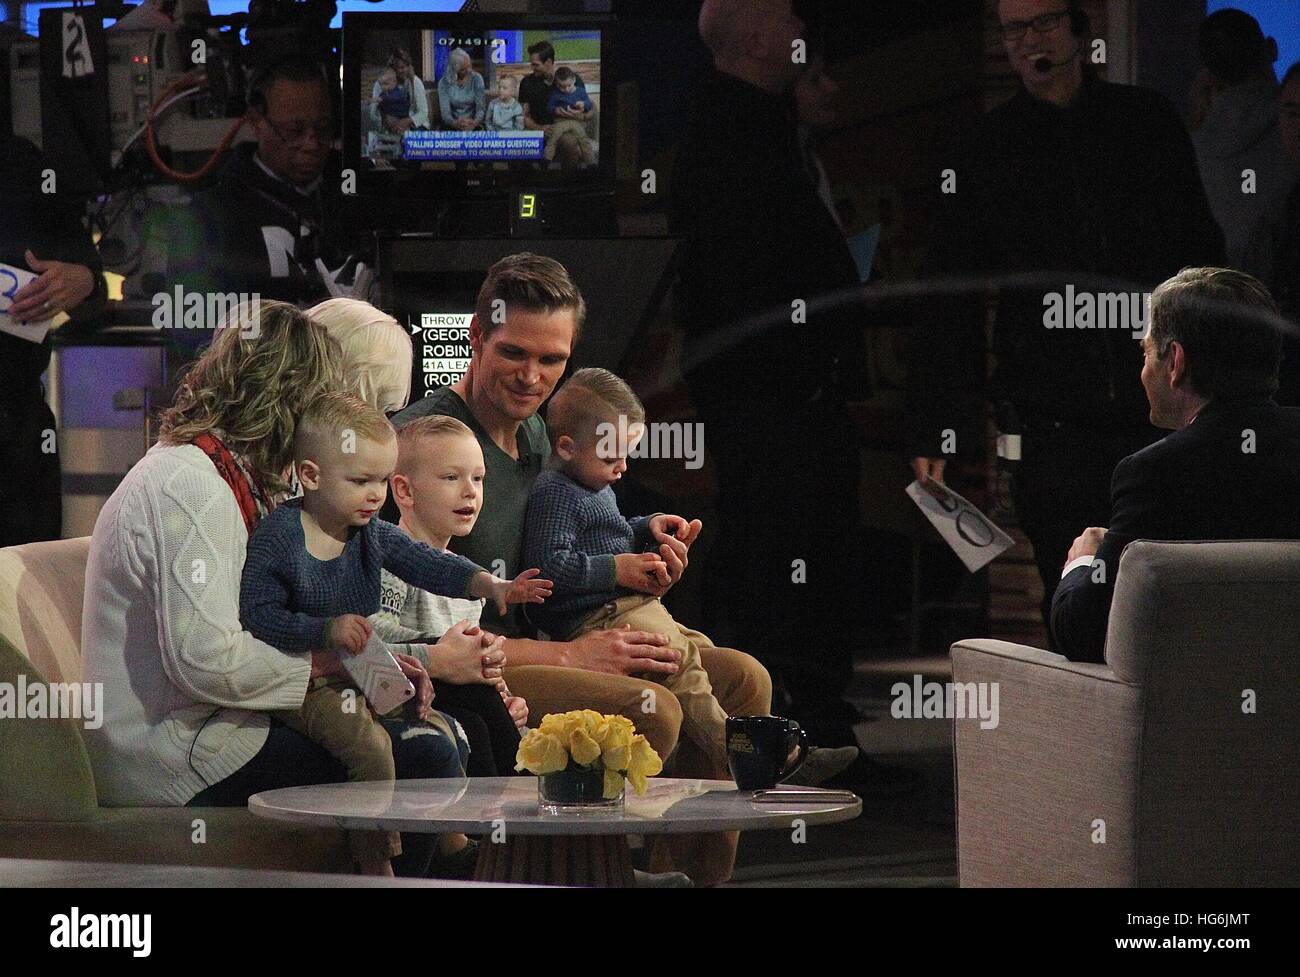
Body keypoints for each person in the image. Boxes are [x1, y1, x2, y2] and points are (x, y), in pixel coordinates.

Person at [391, 252, 772, 886]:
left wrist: (645, 555)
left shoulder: (546, 438)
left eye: (552, 360)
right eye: (514, 353)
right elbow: (408, 626)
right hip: (476, 670)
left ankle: (683, 877)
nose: (531, 376)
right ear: (475, 337)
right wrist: (570, 658)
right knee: (654, 707)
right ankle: (599, 874)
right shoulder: (424, 442)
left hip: (559, 631)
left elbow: (583, 537)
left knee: (745, 681)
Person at [79, 303, 487, 878]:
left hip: (224, 720)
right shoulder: (187, 486)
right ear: (286, 398)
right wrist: (332, 666)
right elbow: (205, 661)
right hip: (174, 749)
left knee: (433, 732)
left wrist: (377, 665)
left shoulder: (236, 474)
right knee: (422, 754)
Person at [908, 0, 1226, 638]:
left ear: (1081, 28)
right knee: (1074, 595)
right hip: (1052, 409)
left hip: (1155, 405)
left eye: (1044, 23)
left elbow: (1201, 259)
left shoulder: (1143, 122)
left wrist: (1217, 387)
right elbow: (952, 296)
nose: (1029, 42)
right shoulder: (987, 146)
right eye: (1014, 30)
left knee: (1168, 594)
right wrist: (942, 421)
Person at [671, 0, 873, 763]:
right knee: (774, 558)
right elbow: (749, 281)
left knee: (798, 555)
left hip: (786, 393)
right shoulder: (735, 136)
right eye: (791, 19)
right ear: (756, 36)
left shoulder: (761, 127)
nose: (801, 31)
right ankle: (772, 733)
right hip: (773, 398)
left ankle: (797, 726)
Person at [238, 391, 548, 872]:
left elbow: (429, 565)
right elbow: (258, 616)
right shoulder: (281, 537)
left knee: (444, 727)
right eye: (361, 481)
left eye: (381, 481)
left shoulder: (367, 532)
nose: (375, 496)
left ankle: (468, 850)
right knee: (374, 750)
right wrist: (326, 630)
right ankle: (379, 865)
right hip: (306, 674)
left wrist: (490, 584)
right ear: (310, 476)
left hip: (363, 663)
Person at [523, 368, 859, 782]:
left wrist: (647, 526)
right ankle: (757, 758)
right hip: (595, 617)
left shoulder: (594, 484)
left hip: (625, 604)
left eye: (627, 455)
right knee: (681, 662)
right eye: (612, 457)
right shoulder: (554, 493)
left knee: (699, 649)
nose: (623, 467)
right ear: (567, 447)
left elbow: (606, 534)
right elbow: (550, 566)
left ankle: (749, 750)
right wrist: (618, 568)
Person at [305, 297, 524, 781]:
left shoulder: (342, 502)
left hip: (370, 676)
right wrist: (436, 658)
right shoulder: (303, 493)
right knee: (438, 742)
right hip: (311, 690)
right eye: (379, 407)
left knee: (482, 720)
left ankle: (512, 845)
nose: (384, 427)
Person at [1050, 268, 1300, 663]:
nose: (1143, 370)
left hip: (1191, 713)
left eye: (1146, 352)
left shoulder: (1155, 473)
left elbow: (1083, 634)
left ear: (1175, 363)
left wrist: (1083, 561)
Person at [372, 414, 530, 778]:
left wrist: (507, 697)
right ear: (405, 491)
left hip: (462, 696)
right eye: (451, 477)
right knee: (476, 726)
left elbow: (477, 666)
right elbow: (377, 638)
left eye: (478, 478)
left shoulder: (468, 579)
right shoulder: (391, 563)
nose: (470, 491)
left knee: (499, 721)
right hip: (410, 694)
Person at [169, 57, 362, 317]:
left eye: (323, 128)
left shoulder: (359, 202)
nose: (311, 144)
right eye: (294, 131)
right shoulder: (209, 216)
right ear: (257, 121)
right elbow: (189, 329)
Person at [1, 132, 107, 546]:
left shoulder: (21, 163)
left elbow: (91, 280)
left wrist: (79, 280)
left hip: (17, 431)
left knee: (25, 594)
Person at [1190, 8, 1299, 274]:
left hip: (1220, 297)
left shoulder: (1190, 147)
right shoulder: (1288, 123)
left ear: (1209, 73)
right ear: (1271, 49)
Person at [518, 40, 594, 166]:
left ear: (548, 62)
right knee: (518, 144)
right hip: (538, 129)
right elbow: (524, 116)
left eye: (536, 65)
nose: (533, 68)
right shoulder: (527, 82)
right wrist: (540, 128)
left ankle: (566, 183)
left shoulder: (571, 80)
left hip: (566, 129)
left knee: (569, 143)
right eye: (531, 64)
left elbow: (590, 109)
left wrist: (581, 116)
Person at [369, 48, 430, 134]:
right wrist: (384, 118)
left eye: (404, 67)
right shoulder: (381, 83)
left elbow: (423, 112)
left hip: (414, 123)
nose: (402, 70)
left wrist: (406, 122)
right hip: (388, 124)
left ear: (409, 66)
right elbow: (373, 112)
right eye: (398, 68)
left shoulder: (415, 82)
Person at [438, 48, 486, 132]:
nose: (469, 70)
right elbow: (445, 114)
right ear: (454, 70)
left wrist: (474, 123)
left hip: (473, 123)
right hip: (452, 124)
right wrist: (455, 123)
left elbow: (481, 109)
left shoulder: (477, 79)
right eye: (463, 69)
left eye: (470, 66)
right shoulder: (443, 83)